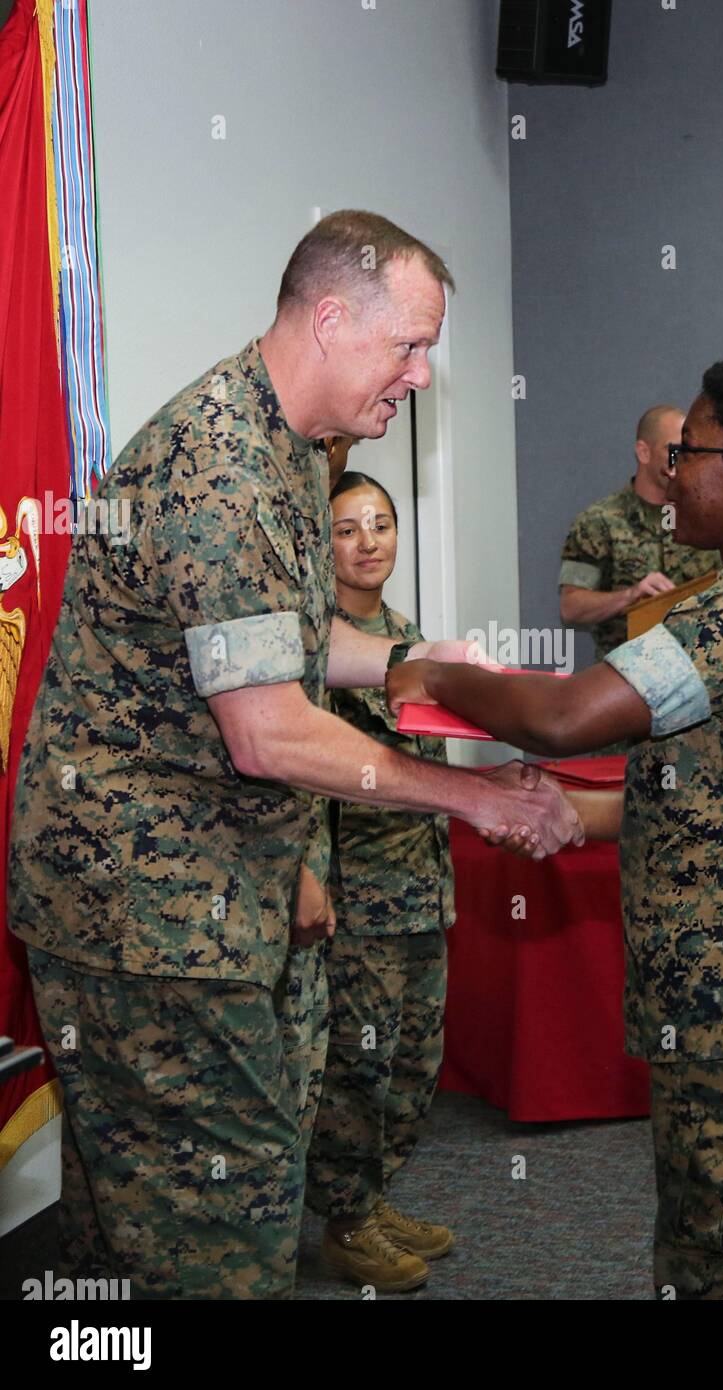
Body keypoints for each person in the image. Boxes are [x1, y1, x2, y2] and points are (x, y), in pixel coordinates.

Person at [8, 210, 581, 1300]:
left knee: (123, 1235)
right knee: (221, 1235)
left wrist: (413, 660)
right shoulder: (222, 467)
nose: (419, 375)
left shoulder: (285, 447)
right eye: (407, 345)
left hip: (193, 901)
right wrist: (467, 799)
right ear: (329, 318)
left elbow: (281, 635)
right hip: (147, 917)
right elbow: (268, 727)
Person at [388, 353, 723, 1300]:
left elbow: (564, 716)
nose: (670, 472)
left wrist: (436, 674)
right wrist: (569, 814)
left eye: (690, 450)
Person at [307, 469, 455, 1293]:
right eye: (347, 529)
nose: (368, 543)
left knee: (412, 1062)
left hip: (422, 892)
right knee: (353, 1073)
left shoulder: (408, 638)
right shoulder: (312, 652)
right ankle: (346, 1220)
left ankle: (374, 1195)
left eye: (382, 525)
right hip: (355, 899)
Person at [559, 404, 719, 664]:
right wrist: (631, 595)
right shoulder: (600, 521)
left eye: (687, 452)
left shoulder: (705, 518)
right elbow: (571, 607)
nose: (680, 461)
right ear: (643, 452)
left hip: (697, 676)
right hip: (625, 678)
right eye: (673, 451)